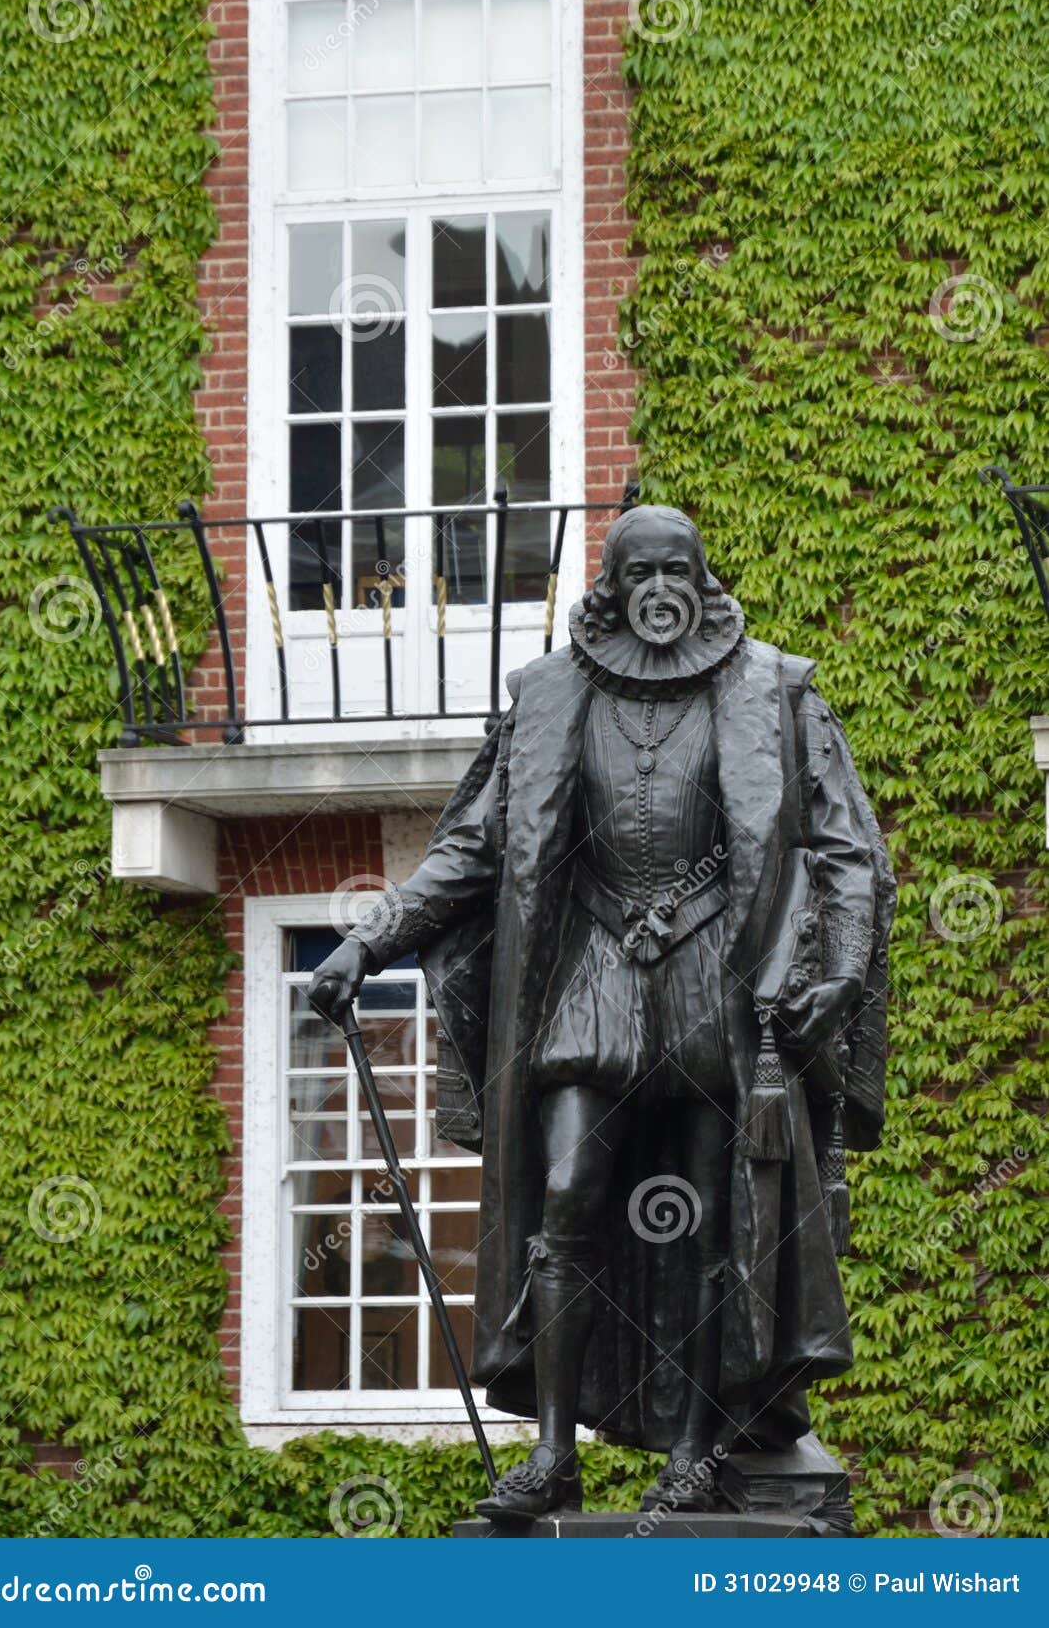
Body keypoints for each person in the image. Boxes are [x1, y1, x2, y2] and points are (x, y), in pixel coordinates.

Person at [309, 505, 894, 1526]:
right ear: (613, 587)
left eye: (678, 571)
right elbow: (473, 849)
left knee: (715, 1211)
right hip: (590, 975)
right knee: (568, 1189)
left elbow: (849, 853)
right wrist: (369, 937)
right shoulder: (545, 696)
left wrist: (834, 974)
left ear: (701, 581)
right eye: (641, 573)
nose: (660, 589)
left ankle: (696, 1449)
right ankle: (550, 1453)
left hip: (722, 979)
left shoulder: (774, 688)